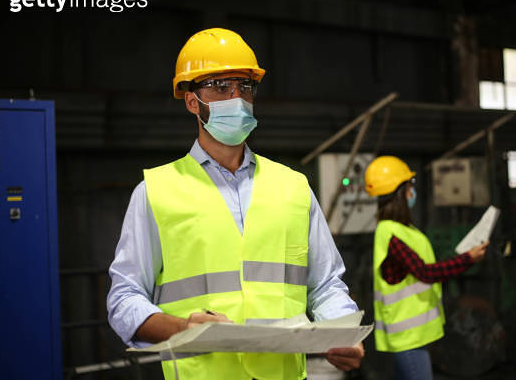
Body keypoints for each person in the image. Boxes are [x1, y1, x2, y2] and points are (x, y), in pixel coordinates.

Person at [107, 28, 364, 380]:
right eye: (219, 86)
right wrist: (184, 328)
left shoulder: (293, 187)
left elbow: (325, 284)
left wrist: (342, 331)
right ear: (191, 100)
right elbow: (124, 299)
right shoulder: (156, 191)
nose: (236, 97)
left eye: (245, 86)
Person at [364, 156, 489, 380]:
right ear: (401, 192)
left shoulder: (404, 229)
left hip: (413, 334)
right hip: (407, 337)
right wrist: (467, 259)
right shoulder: (390, 233)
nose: (413, 190)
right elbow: (425, 273)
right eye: (409, 185)